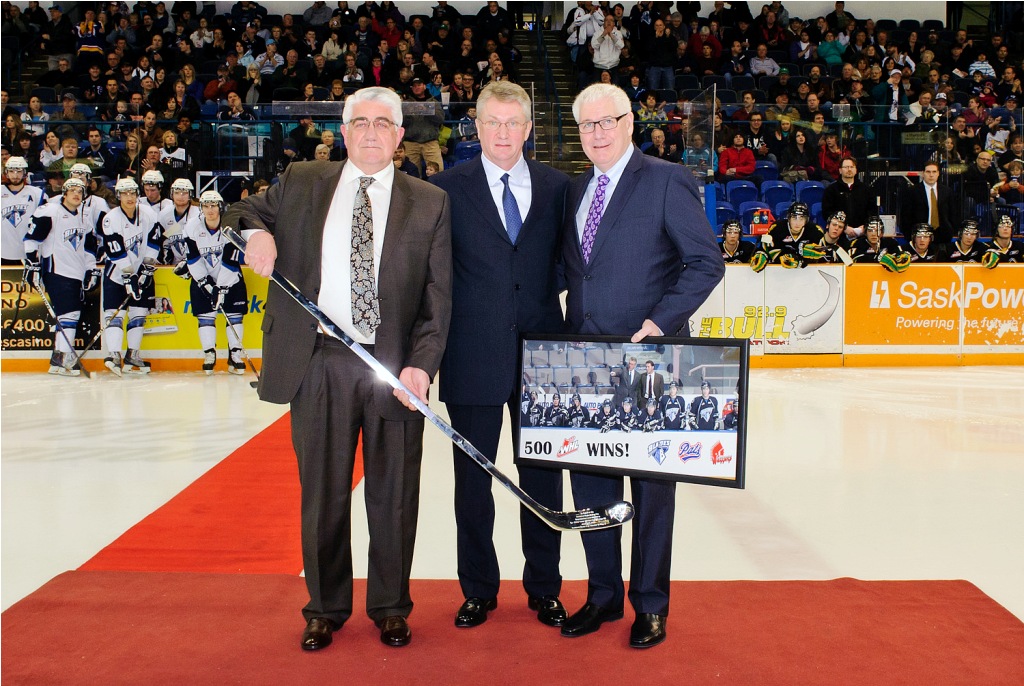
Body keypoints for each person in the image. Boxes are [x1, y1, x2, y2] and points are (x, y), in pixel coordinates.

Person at [223, 87, 452, 651]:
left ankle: (391, 606)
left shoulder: (430, 202)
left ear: (400, 138)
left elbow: (437, 298)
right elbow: (239, 209)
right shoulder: (303, 180)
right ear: (343, 131)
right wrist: (256, 233)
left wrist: (422, 368)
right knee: (322, 492)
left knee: (395, 494)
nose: (371, 132)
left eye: (383, 124)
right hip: (319, 361)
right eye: (360, 122)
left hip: (393, 371)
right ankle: (324, 606)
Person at [561, 83, 724, 649]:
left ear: (631, 123)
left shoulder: (666, 179)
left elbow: (706, 262)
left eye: (609, 121)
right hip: (586, 361)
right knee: (591, 485)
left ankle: (650, 603)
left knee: (652, 489)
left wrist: (660, 321)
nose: (598, 133)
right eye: (587, 125)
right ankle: (602, 596)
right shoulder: (576, 189)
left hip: (650, 360)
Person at [429, 81, 570, 630]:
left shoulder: (560, 188)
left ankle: (545, 588)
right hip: (471, 357)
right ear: (477, 127)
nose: (504, 132)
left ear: (528, 128)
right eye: (494, 122)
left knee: (542, 479)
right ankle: (479, 589)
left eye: (514, 123)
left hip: (543, 358)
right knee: (473, 482)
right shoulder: (445, 189)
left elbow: (569, 262)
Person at [23, 177, 101, 376]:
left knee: (68, 315)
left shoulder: (84, 216)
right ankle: (66, 358)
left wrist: (91, 269)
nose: (76, 194)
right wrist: (32, 263)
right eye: (72, 190)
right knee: (70, 314)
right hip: (56, 271)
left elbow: (90, 247)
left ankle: (58, 359)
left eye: (80, 191)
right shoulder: (50, 211)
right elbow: (31, 238)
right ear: (64, 193)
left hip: (76, 273)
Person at [99, 177, 162, 375]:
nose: (129, 197)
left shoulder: (148, 214)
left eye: (132, 193)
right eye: (125, 194)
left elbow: (154, 241)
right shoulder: (111, 219)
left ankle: (132, 354)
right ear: (118, 196)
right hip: (116, 275)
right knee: (116, 314)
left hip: (141, 272)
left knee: (139, 313)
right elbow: (116, 251)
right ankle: (114, 354)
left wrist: (146, 267)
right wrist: (129, 276)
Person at [181, 190, 248, 376]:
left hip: (231, 279)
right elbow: (192, 259)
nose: (210, 210)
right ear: (201, 208)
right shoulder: (191, 227)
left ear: (220, 207)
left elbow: (231, 260)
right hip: (203, 279)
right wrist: (205, 283)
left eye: (213, 206)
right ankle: (209, 353)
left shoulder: (230, 225)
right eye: (206, 206)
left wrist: (222, 287)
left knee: (235, 316)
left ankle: (235, 354)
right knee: (205, 317)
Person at [751, 201, 824, 272]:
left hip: (806, 275)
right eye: (794, 218)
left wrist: (801, 262)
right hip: (779, 273)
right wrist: (762, 254)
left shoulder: (815, 231)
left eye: (801, 219)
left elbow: (822, 256)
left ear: (806, 220)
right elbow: (768, 248)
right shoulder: (777, 228)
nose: (797, 223)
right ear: (789, 218)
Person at [2, 157, 46, 265]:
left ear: (25, 173)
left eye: (19, 171)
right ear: (6, 173)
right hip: (3, 251)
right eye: (11, 171)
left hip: (28, 252)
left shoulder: (37, 194)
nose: (15, 175)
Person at [901, 161, 956, 243]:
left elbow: (953, 214)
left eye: (934, 172)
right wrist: (910, 237)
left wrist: (951, 231)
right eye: (928, 172)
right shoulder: (912, 191)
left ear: (938, 173)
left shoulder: (947, 191)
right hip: (920, 236)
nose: (931, 175)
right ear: (923, 173)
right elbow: (905, 217)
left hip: (943, 236)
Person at [821, 157, 873, 239]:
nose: (849, 169)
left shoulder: (866, 190)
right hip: (839, 235)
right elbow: (827, 213)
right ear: (840, 170)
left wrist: (865, 227)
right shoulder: (831, 190)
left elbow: (872, 211)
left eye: (852, 167)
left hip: (862, 234)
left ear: (856, 170)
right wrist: (844, 227)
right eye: (846, 167)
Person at [157, 178, 199, 271]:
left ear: (190, 195)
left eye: (184, 193)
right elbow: (161, 240)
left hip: (195, 264)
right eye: (177, 192)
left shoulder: (198, 214)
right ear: (172, 194)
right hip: (173, 265)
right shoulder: (164, 215)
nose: (180, 196)